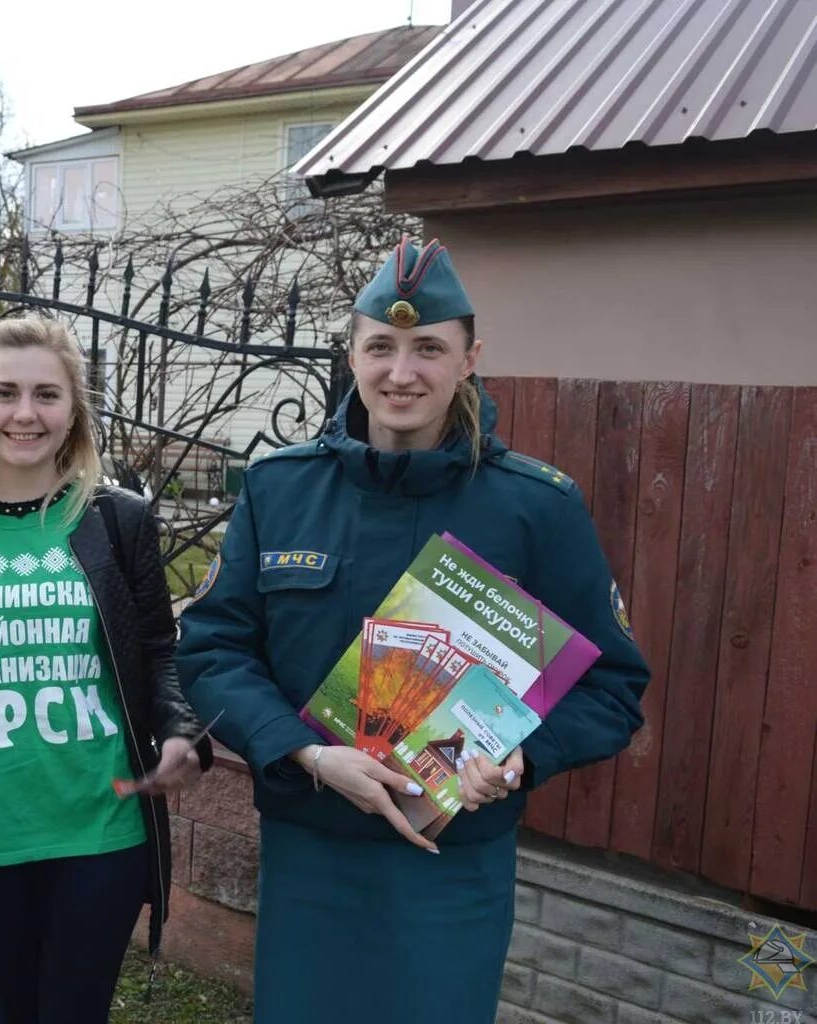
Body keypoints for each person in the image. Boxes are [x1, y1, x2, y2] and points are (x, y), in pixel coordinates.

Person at [176, 238, 650, 1023]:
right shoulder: (279, 490)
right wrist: (310, 753)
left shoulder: (537, 508)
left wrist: (518, 754)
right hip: (310, 849)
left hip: (449, 866)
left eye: (428, 348)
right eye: (381, 348)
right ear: (351, 355)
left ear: (469, 359)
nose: (401, 373)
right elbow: (214, 650)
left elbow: (613, 688)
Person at [0, 313, 213, 1024]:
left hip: (101, 826)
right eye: (5, 393)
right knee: (14, 1010)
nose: (24, 414)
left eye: (46, 394)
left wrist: (179, 730)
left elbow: (159, 651)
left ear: (73, 410)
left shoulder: (117, 519)